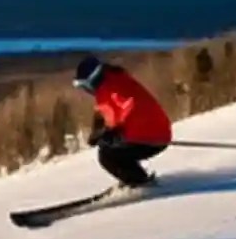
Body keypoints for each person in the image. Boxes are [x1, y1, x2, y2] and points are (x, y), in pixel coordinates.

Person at [73, 55, 172, 188]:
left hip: (151, 135)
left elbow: (132, 106)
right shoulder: (107, 86)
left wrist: (119, 133)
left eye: (84, 85)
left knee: (108, 156)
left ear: (92, 80)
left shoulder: (113, 86)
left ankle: (140, 183)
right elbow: (108, 113)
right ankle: (136, 179)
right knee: (110, 152)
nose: (85, 90)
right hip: (148, 133)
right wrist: (99, 131)